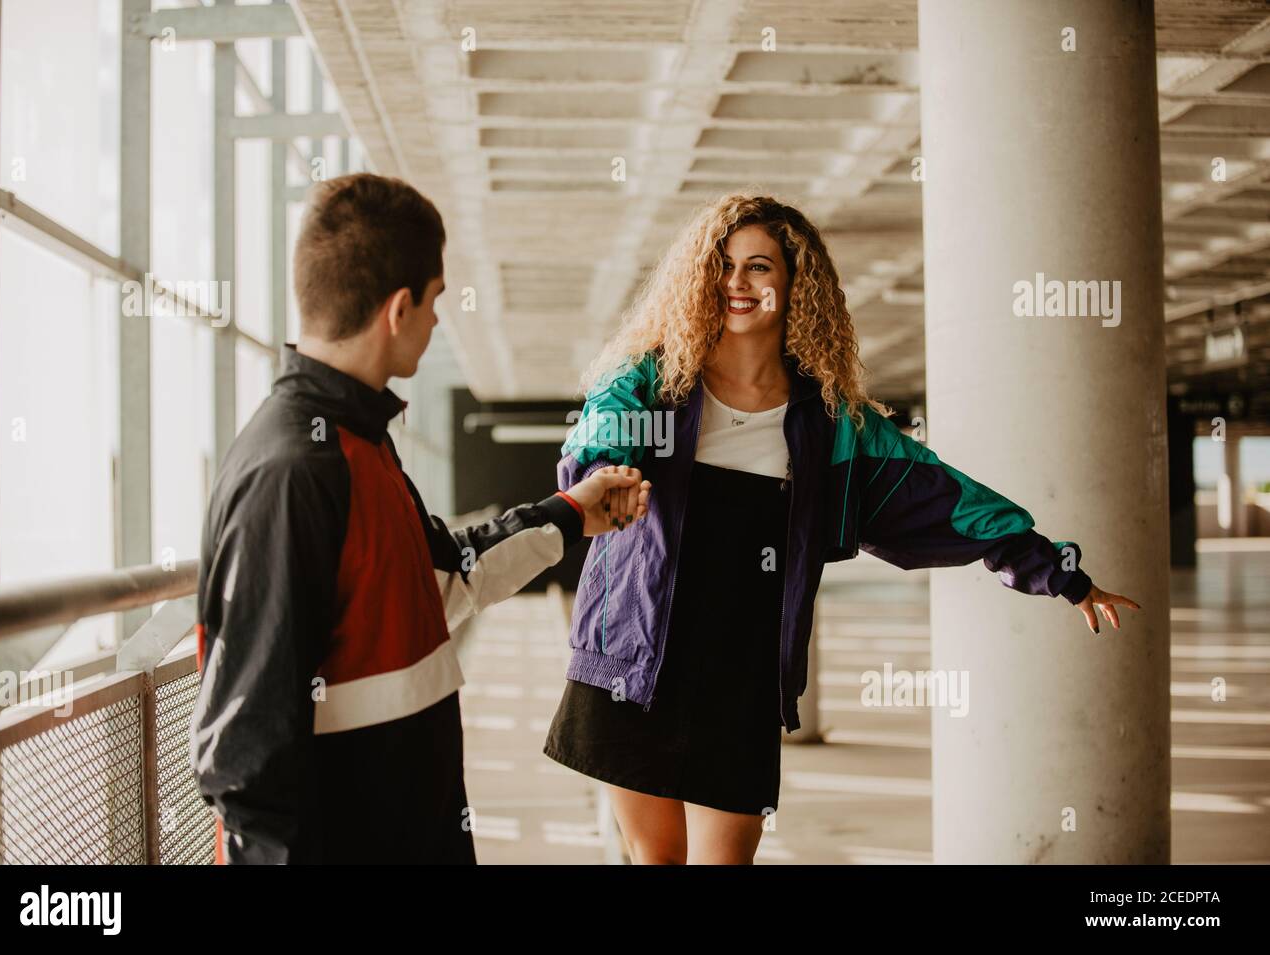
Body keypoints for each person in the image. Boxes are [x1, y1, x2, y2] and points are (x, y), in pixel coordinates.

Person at [544, 194, 1140, 864]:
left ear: (796, 283)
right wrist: (602, 478)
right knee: (656, 860)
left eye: (759, 266)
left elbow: (945, 495)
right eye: (723, 264)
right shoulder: (652, 385)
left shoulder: (830, 426)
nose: (737, 282)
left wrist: (1054, 568)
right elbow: (598, 438)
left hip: (742, 677)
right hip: (634, 660)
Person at [189, 172, 649, 864]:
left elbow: (445, 576)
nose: (439, 319)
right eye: (435, 300)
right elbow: (246, 761)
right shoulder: (293, 473)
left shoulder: (358, 444)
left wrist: (568, 514)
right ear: (399, 309)